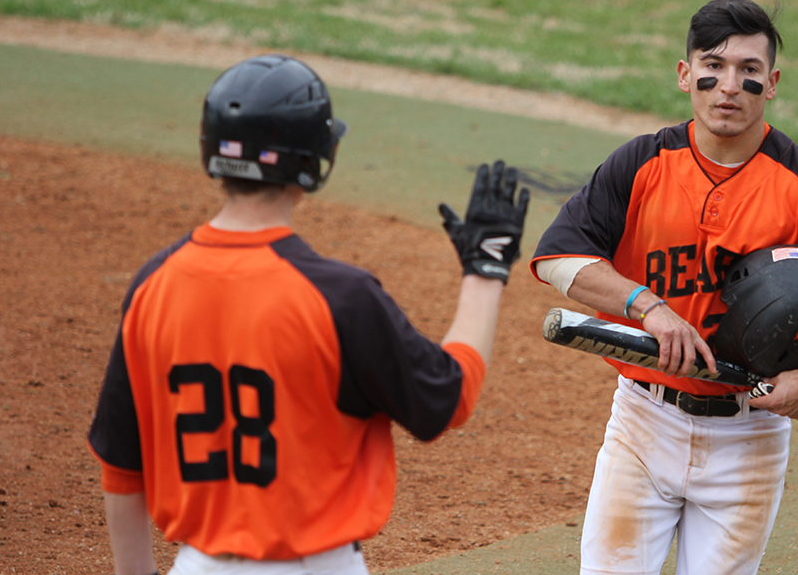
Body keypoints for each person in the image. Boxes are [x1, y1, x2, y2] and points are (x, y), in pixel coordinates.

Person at [87, 53, 529, 575]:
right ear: (314, 157)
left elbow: (121, 468)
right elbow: (449, 397)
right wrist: (485, 272)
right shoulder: (341, 297)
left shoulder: (151, 285)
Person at [530, 0, 798, 575]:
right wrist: (649, 307)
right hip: (643, 423)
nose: (729, 86)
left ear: (772, 84)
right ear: (686, 74)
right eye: (713, 66)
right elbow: (558, 258)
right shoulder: (641, 164)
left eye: (749, 71)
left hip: (750, 436)